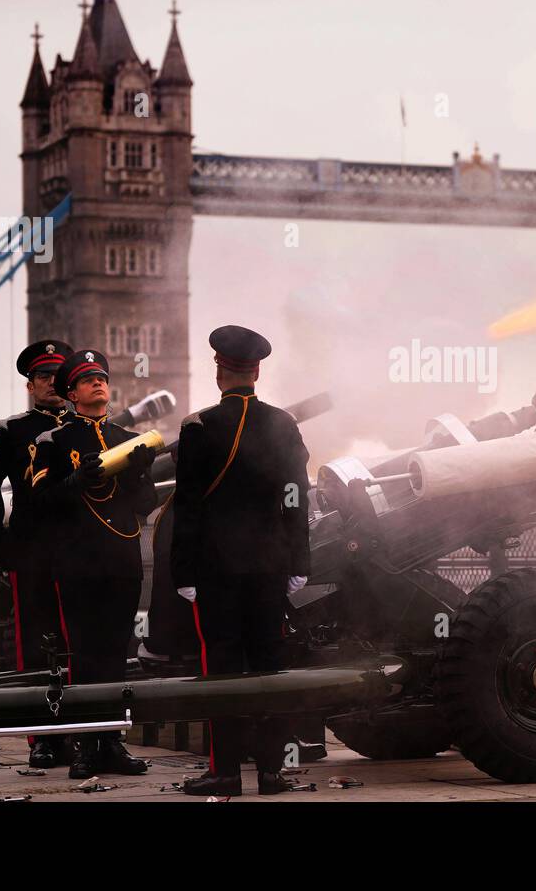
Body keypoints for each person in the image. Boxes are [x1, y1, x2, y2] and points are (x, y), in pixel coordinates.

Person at [173, 325, 312, 797]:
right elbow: (296, 497)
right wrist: (299, 561)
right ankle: (272, 773)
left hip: (216, 568)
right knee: (270, 665)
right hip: (270, 564)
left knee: (222, 670)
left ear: (220, 370)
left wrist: (183, 572)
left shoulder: (199, 427)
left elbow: (187, 507)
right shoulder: (283, 424)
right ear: (256, 370)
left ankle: (225, 771)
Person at [30, 349, 155, 779]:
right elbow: (40, 502)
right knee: (84, 656)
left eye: (102, 377)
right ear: (71, 394)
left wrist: (140, 474)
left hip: (122, 559)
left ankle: (113, 742)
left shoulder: (125, 437)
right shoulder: (53, 441)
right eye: (87, 380)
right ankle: (85, 744)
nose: (98, 383)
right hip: (79, 562)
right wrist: (74, 481)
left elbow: (147, 505)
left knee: (117, 655)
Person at [0, 339, 74, 768]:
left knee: (78, 639)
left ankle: (82, 729)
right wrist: (1, 545)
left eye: (57, 375)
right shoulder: (10, 430)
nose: (51, 382)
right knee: (34, 642)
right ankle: (42, 735)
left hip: (81, 548)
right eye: (43, 376)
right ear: (30, 385)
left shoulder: (87, 424)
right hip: (32, 549)